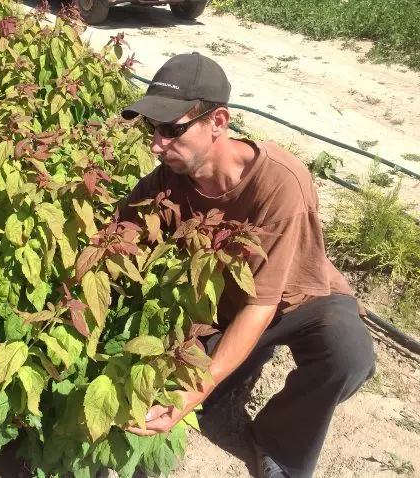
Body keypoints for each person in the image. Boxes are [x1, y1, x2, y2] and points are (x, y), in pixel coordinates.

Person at [117, 52, 376, 478]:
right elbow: (123, 228)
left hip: (300, 298)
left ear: (218, 122)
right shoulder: (170, 177)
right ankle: (245, 360)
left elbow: (263, 305)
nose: (156, 144)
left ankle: (278, 441)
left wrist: (195, 391)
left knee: (348, 356)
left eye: (171, 129)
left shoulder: (280, 181)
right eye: (152, 128)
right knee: (186, 391)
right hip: (226, 306)